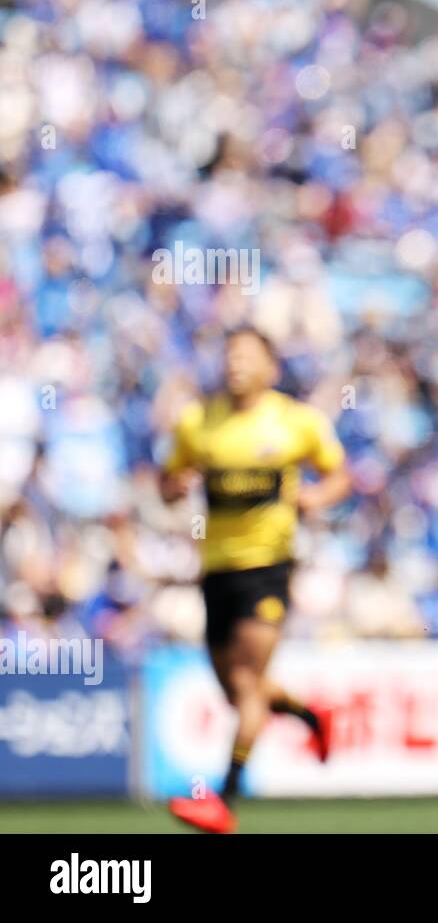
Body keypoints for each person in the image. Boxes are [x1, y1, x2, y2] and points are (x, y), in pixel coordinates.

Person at [161, 327, 352, 833]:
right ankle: (311, 716)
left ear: (271, 367)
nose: (235, 364)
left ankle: (223, 800)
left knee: (246, 683)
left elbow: (339, 475)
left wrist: (315, 498)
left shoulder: (296, 421)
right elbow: (167, 482)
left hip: (267, 567)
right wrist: (174, 487)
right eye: (230, 355)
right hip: (216, 570)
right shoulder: (198, 421)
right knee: (238, 691)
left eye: (247, 356)